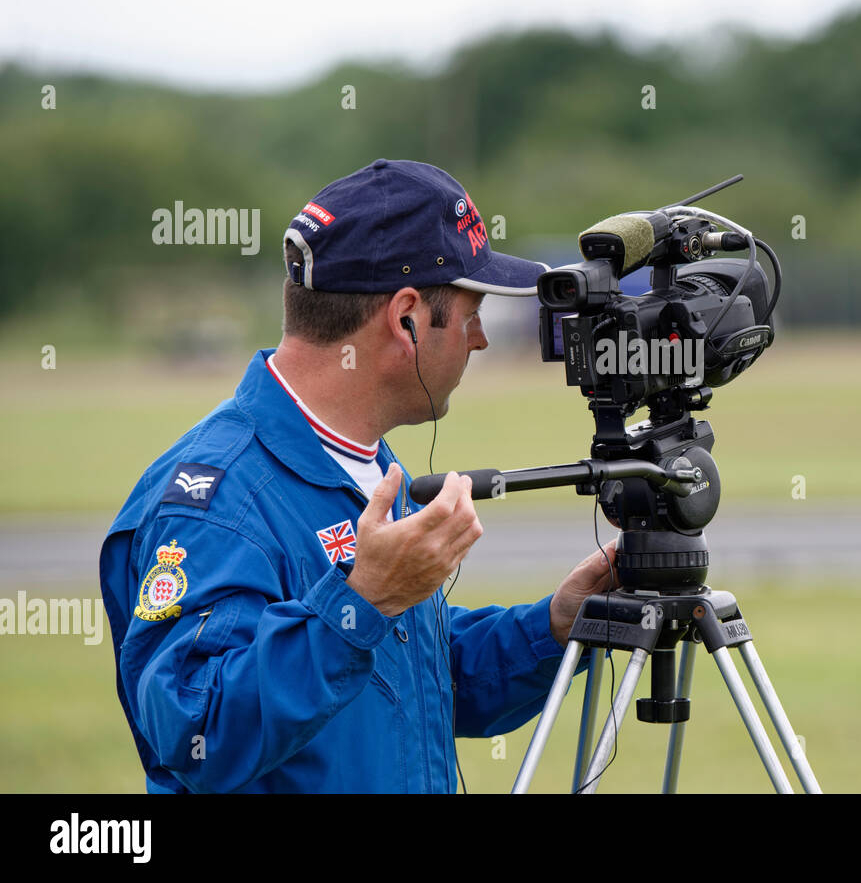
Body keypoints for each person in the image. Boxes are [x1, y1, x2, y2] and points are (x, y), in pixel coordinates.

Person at [98, 158, 619, 792]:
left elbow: (406, 677)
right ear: (406, 319)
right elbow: (199, 732)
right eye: (470, 312)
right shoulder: (216, 504)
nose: (479, 340)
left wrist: (553, 628)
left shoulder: (367, 461)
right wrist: (360, 601)